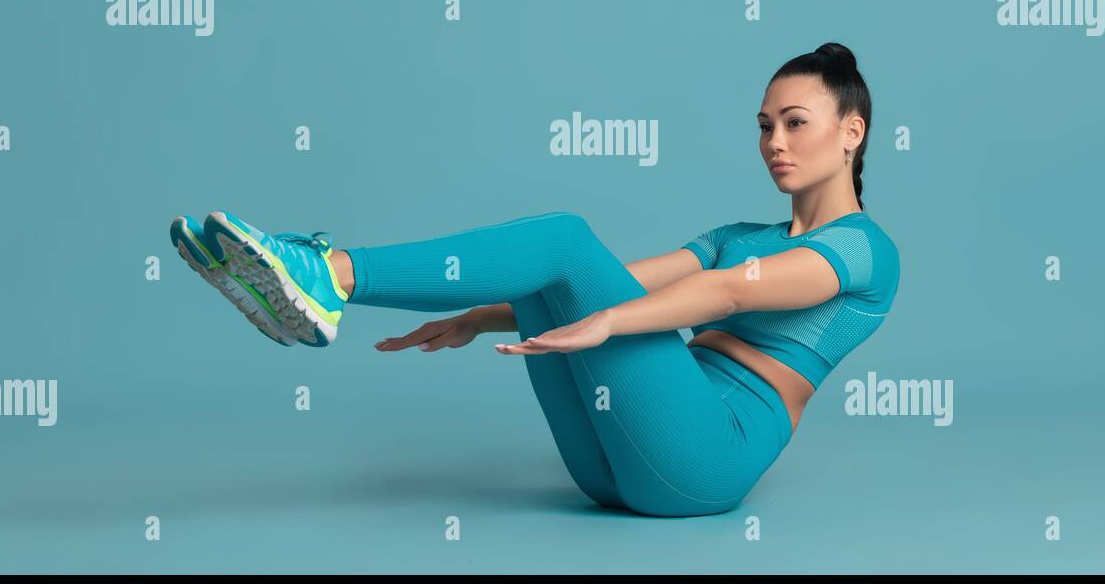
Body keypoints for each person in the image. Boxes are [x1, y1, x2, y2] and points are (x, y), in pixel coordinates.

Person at [169, 41, 900, 517]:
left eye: (795, 122)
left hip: (707, 460)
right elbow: (622, 280)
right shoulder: (737, 235)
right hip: (613, 465)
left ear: (852, 131)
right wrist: (482, 314)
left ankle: (328, 273)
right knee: (541, 268)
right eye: (764, 124)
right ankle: (308, 290)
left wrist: (609, 322)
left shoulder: (867, 250)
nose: (774, 141)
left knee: (561, 239)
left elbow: (733, 292)